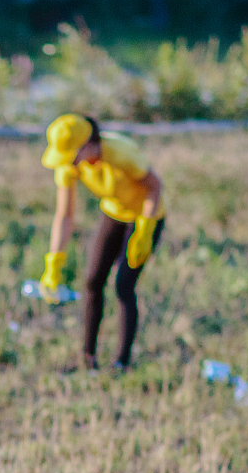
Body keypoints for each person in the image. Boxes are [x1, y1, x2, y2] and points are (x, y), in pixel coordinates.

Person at [38, 113, 166, 372]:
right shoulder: (71, 165)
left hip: (144, 217)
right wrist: (54, 260)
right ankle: (88, 359)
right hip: (113, 213)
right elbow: (65, 215)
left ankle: (122, 362)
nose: (69, 163)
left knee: (123, 286)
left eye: (72, 156)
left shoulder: (120, 153)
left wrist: (144, 231)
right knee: (92, 281)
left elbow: (154, 186)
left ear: (87, 145)